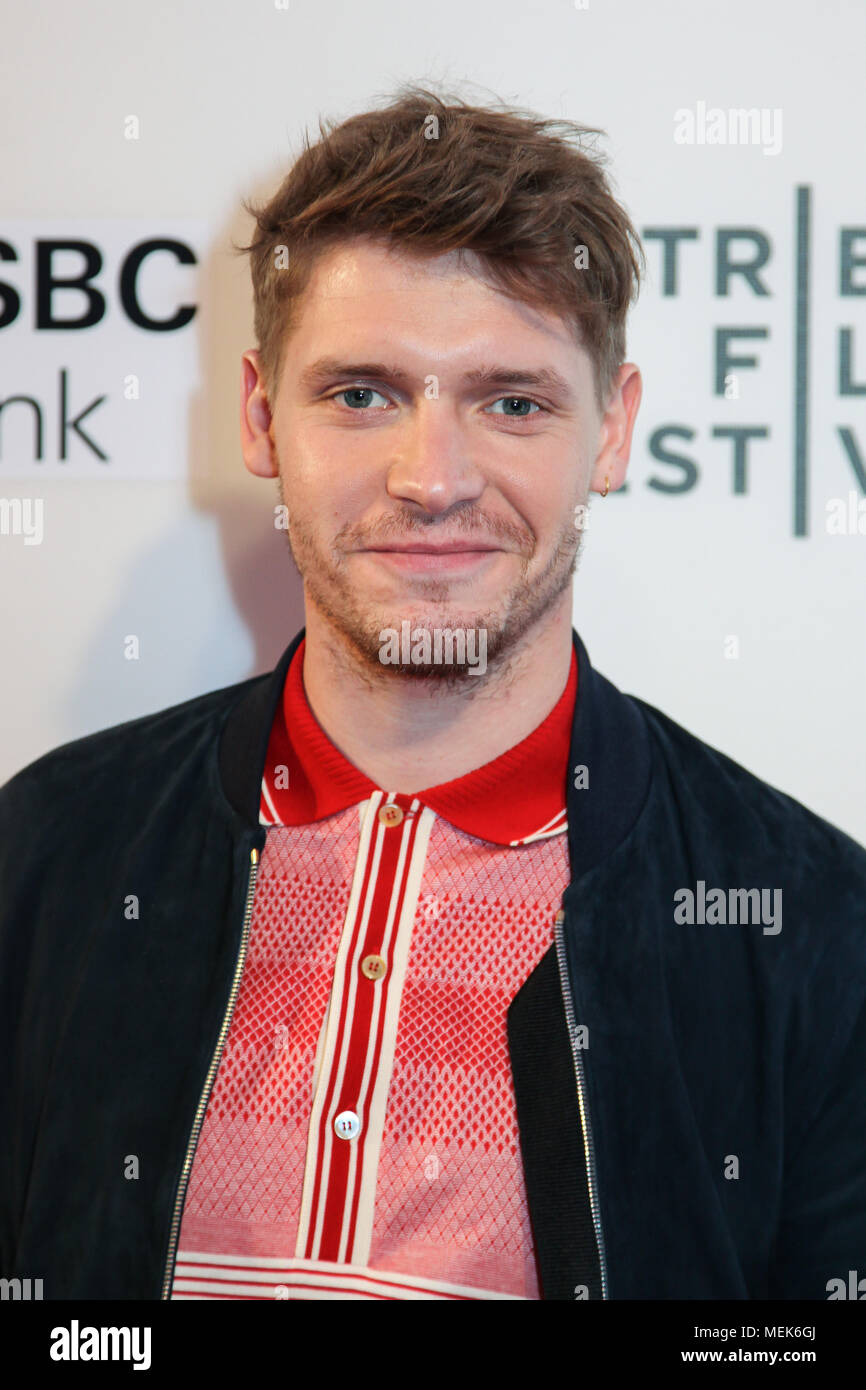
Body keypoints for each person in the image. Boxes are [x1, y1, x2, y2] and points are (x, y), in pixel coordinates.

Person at [1, 84, 864, 1303]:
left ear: (611, 435)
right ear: (260, 418)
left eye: (511, 402)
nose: (431, 479)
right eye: (361, 394)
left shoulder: (809, 921)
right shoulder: (49, 851)